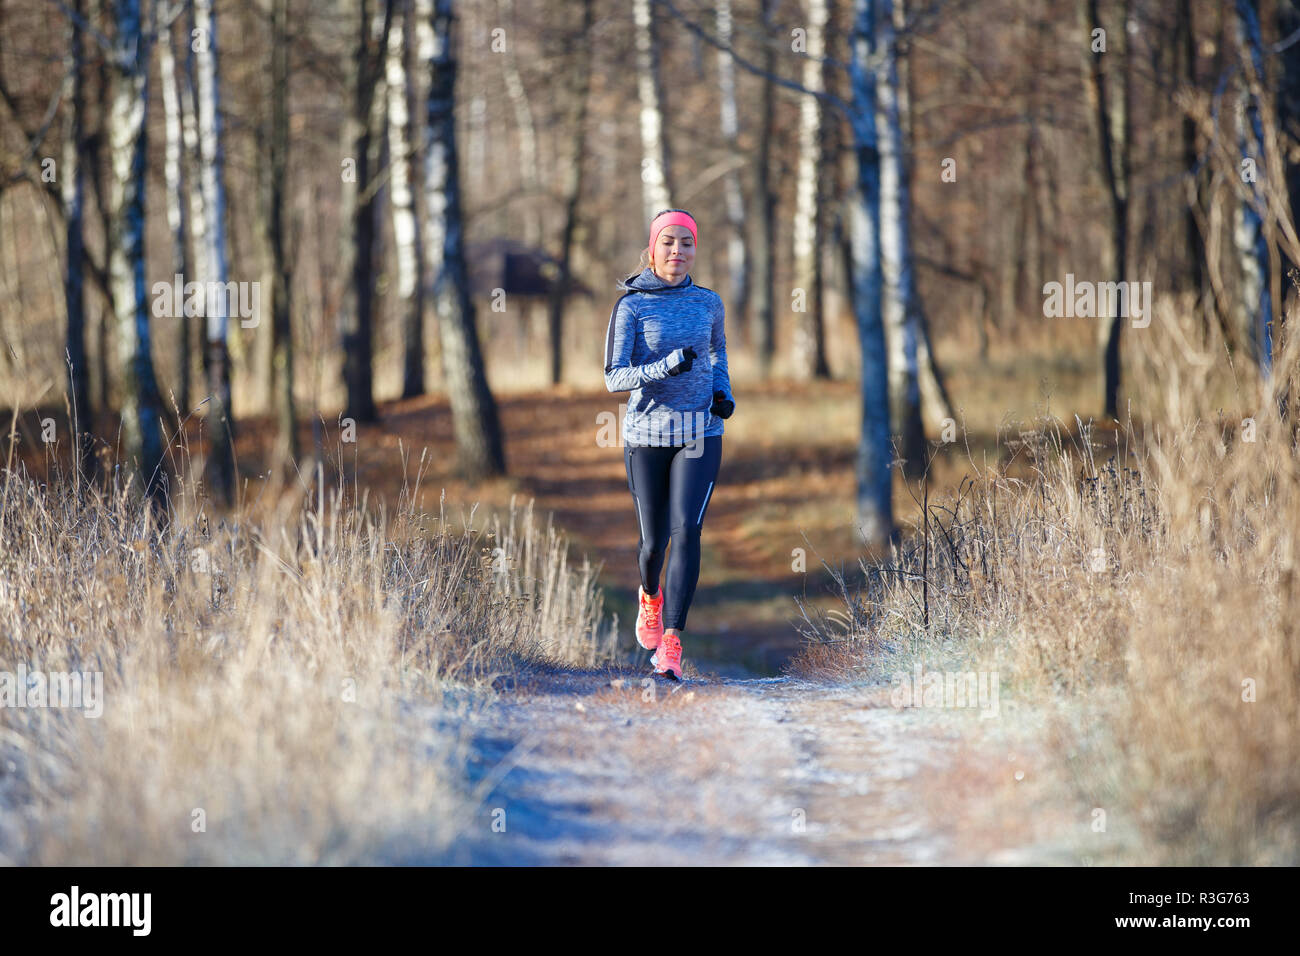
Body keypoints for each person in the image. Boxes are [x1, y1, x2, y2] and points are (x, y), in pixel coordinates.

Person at [602, 208, 736, 680]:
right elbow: (614, 377)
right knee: (654, 543)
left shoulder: (709, 303)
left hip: (700, 433)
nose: (678, 251)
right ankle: (650, 597)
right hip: (647, 436)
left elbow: (718, 354)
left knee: (687, 531)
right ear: (652, 248)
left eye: (687, 243)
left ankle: (673, 643)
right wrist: (665, 368)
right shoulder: (632, 306)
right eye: (669, 242)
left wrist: (724, 393)